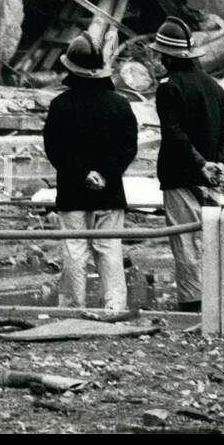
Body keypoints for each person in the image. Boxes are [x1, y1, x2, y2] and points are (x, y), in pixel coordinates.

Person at [43, 34, 138, 312]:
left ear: (71, 70)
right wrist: (104, 173)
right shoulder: (120, 104)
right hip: (109, 192)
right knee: (109, 250)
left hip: (72, 190)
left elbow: (55, 149)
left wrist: (84, 173)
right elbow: (128, 147)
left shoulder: (60, 106)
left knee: (74, 250)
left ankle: (74, 308)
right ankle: (114, 307)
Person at [152, 16, 224, 312]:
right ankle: (218, 299)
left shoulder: (168, 88)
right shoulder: (213, 86)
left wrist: (199, 163)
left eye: (161, 54)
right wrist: (219, 164)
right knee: (211, 238)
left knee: (185, 241)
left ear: (167, 56)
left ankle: (192, 302)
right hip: (212, 176)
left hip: (180, 174)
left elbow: (173, 133)